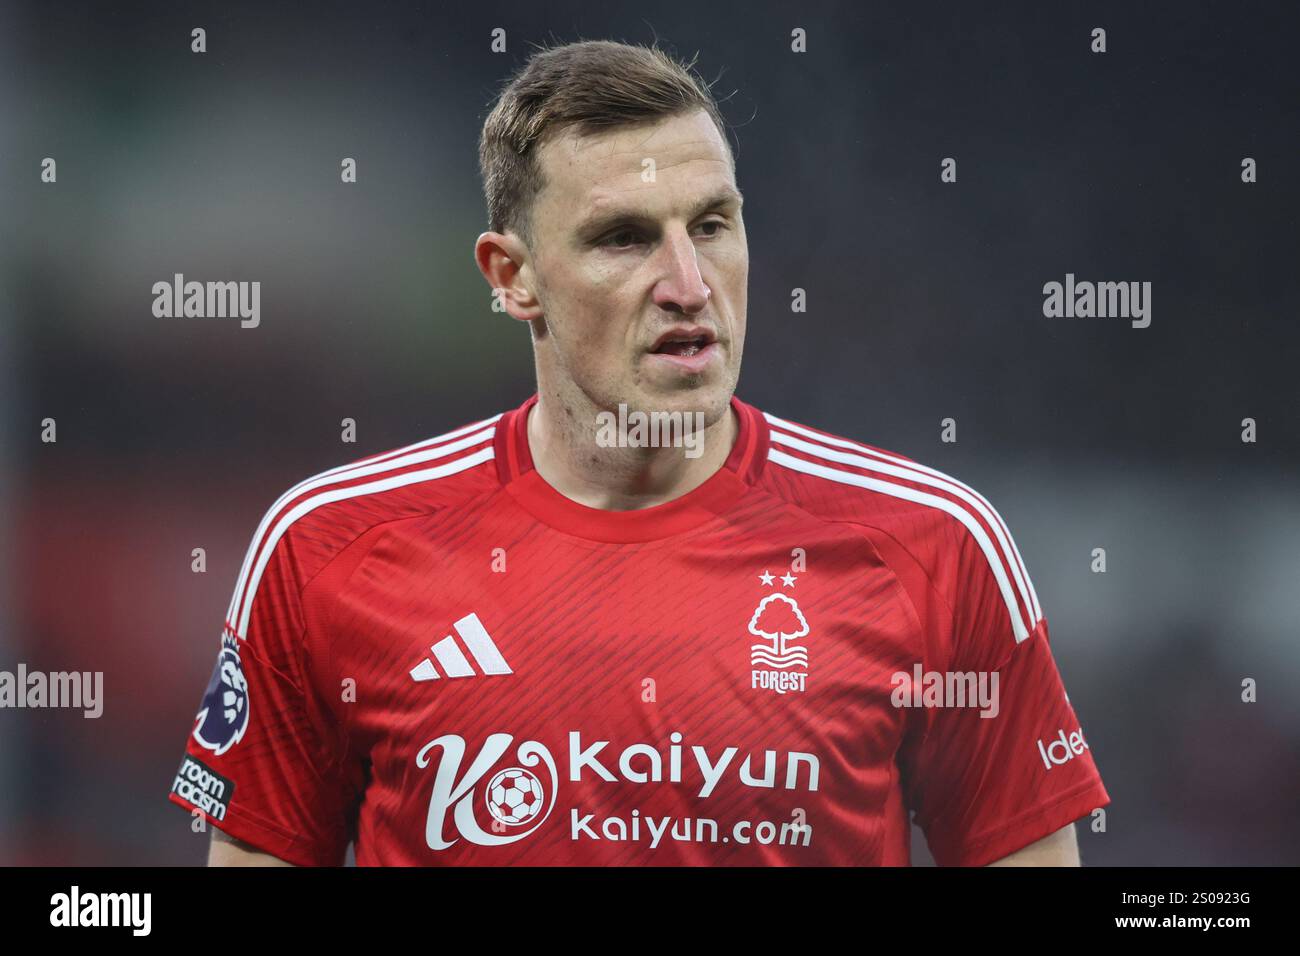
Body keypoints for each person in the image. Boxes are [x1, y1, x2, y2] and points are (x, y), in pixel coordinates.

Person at [168, 39, 1108, 866]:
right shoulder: (328, 547)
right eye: (624, 239)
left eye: (711, 225)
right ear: (513, 276)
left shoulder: (933, 547)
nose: (689, 285)